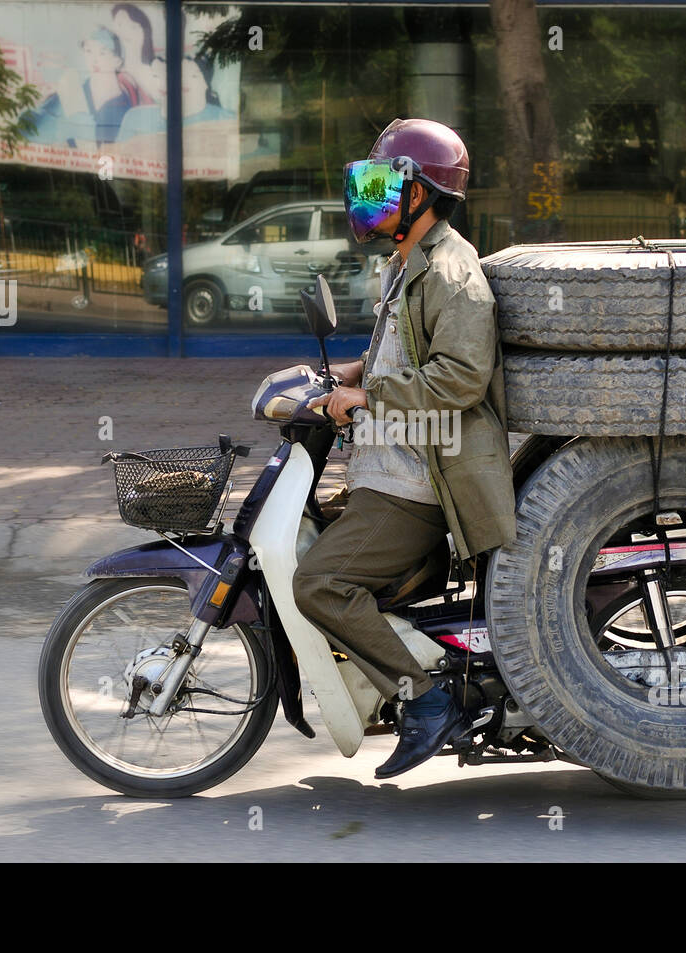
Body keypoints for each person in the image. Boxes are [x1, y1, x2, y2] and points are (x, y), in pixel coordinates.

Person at [293, 118, 516, 780]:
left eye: (382, 183)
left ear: (420, 194)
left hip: (421, 481)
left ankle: (424, 697)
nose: (368, 198)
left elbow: (458, 377)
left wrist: (365, 398)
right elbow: (400, 354)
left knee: (319, 581)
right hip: (389, 468)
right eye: (367, 183)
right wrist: (352, 378)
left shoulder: (451, 271)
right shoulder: (407, 264)